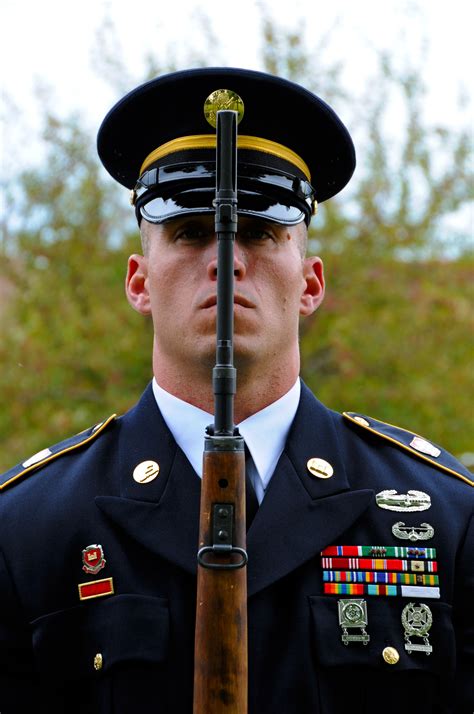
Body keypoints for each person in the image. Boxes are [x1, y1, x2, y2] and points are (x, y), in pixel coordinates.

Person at [0, 67, 472, 714]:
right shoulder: (28, 530)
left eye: (260, 231)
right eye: (190, 232)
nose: (226, 258)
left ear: (310, 284)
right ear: (139, 282)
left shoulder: (442, 519)